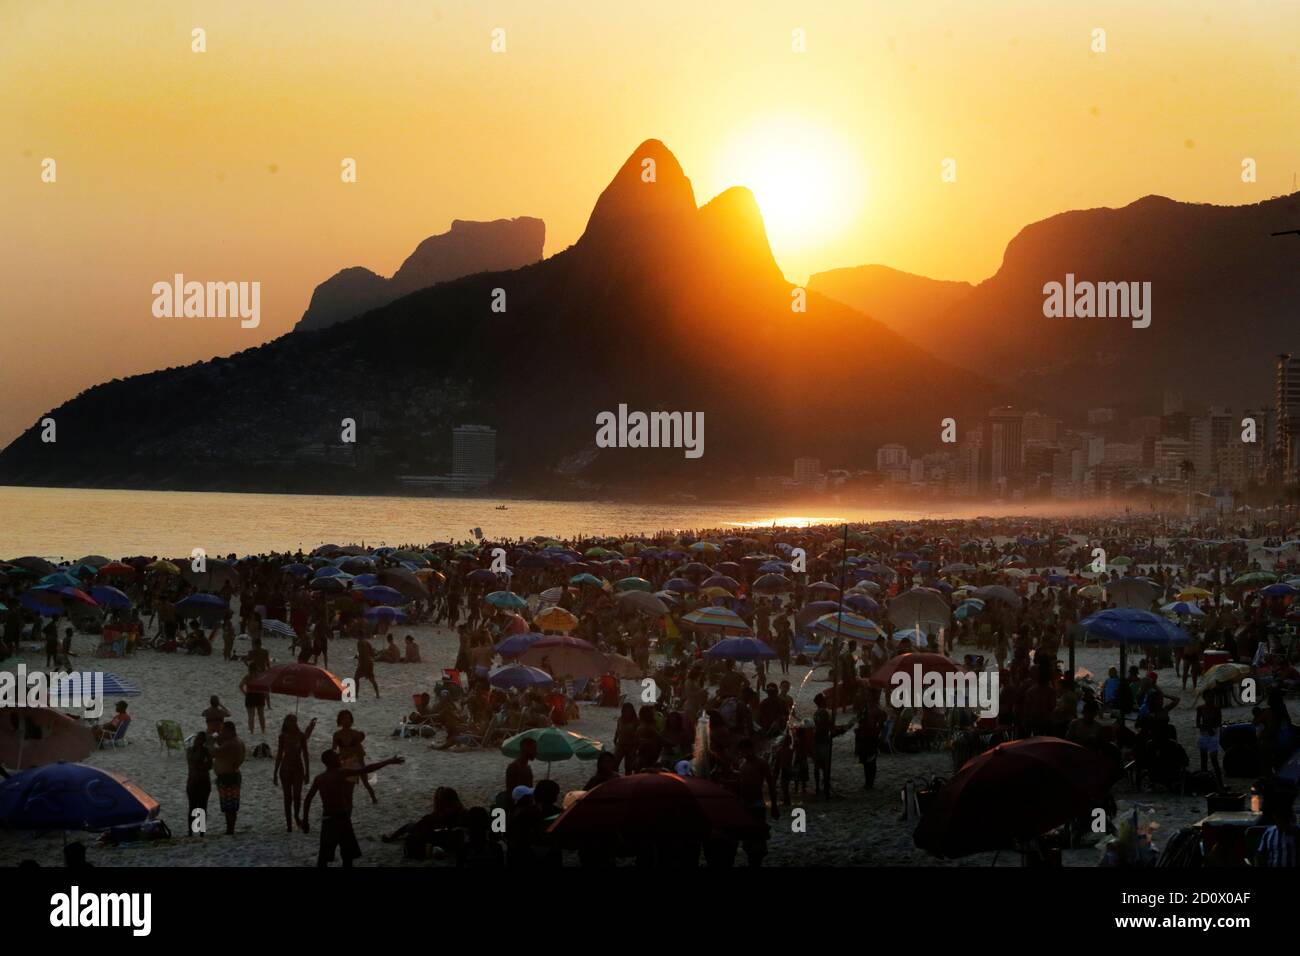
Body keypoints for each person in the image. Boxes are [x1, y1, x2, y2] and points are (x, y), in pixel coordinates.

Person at [301, 750, 405, 867]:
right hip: (342, 819)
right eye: (337, 758)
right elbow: (366, 769)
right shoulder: (341, 773)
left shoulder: (319, 778)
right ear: (331, 761)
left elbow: (308, 799)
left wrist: (305, 820)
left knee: (324, 856)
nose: (340, 759)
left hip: (328, 819)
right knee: (347, 855)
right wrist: (388, 761)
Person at [274, 714, 314, 832]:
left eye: (293, 721)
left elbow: (305, 754)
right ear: (286, 723)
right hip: (285, 769)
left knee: (297, 796)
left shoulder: (301, 736)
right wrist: (275, 772)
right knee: (287, 797)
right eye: (289, 721)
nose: (291, 723)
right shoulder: (282, 736)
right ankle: (289, 824)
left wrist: (308, 772)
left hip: (298, 768)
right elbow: (279, 754)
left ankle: (296, 816)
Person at [332, 709, 378, 804]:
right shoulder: (336, 735)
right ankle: (373, 798)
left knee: (365, 782)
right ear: (340, 721)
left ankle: (373, 797)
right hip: (344, 761)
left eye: (348, 718)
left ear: (351, 720)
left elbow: (359, 751)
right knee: (346, 785)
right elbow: (333, 750)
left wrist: (362, 765)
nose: (347, 721)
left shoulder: (355, 734)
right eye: (344, 718)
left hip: (356, 760)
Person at [211, 720, 247, 835]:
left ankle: (230, 829)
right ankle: (230, 828)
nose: (221, 732)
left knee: (229, 806)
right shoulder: (237, 741)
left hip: (229, 777)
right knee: (230, 805)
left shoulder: (231, 743)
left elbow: (214, 752)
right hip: (232, 775)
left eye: (223, 730)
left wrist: (213, 740)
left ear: (228, 731)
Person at [185, 731, 213, 836]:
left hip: (201, 781)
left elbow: (209, 765)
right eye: (198, 739)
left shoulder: (206, 752)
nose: (198, 742)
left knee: (201, 807)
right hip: (195, 781)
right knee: (193, 806)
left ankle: (200, 831)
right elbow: (196, 763)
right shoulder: (191, 751)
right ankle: (192, 831)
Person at [1196, 696, 1223, 785]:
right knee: (1205, 759)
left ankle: (1215, 780)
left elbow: (1218, 722)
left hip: (1211, 734)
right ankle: (1212, 780)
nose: (1211, 699)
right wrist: (1208, 728)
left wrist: (1206, 727)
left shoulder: (1215, 708)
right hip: (1207, 733)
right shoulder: (1201, 708)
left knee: (1212, 759)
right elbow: (1198, 723)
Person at [505, 737, 537, 808]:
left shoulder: (528, 767)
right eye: (534, 749)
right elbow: (510, 792)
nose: (535, 752)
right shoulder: (513, 767)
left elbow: (530, 788)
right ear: (526, 749)